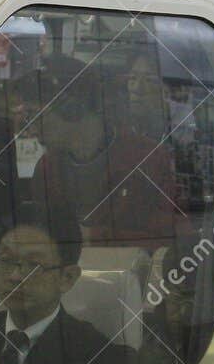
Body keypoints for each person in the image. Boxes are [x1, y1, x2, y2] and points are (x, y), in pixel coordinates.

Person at [0, 215, 131, 364]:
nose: (15, 276)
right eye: (6, 260)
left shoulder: (99, 359)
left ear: (67, 278)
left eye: (34, 265)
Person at [33, 58, 182, 251]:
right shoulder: (47, 169)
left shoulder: (149, 159)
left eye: (37, 114)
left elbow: (169, 240)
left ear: (73, 109)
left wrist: (92, 238)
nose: (31, 124)